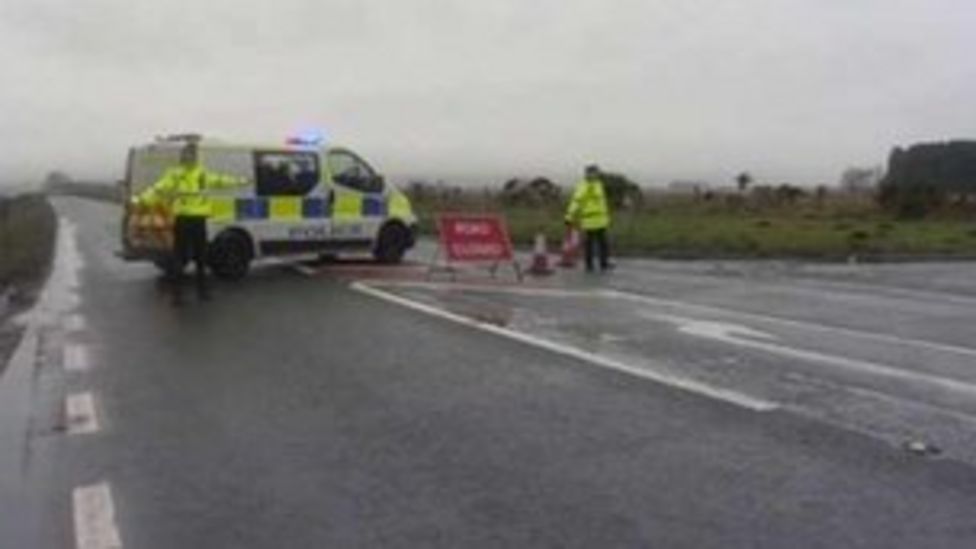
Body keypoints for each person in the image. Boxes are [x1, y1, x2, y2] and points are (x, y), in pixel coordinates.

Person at [134, 142, 245, 305]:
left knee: (201, 257)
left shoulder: (201, 173)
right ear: (182, 156)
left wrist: (241, 181)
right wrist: (142, 199)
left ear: (195, 157)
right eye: (187, 154)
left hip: (199, 219)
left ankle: (202, 291)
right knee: (179, 257)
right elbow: (159, 188)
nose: (190, 157)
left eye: (192, 155)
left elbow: (220, 180)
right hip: (183, 219)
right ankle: (177, 295)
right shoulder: (175, 174)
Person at [565, 164, 613, 272]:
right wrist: (569, 216)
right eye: (592, 173)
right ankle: (589, 265)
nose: (594, 175)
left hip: (601, 220)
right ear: (587, 174)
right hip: (589, 220)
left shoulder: (599, 184)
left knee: (603, 243)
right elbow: (576, 202)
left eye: (596, 173)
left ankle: (603, 263)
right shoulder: (583, 186)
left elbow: (602, 203)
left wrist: (607, 218)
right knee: (589, 243)